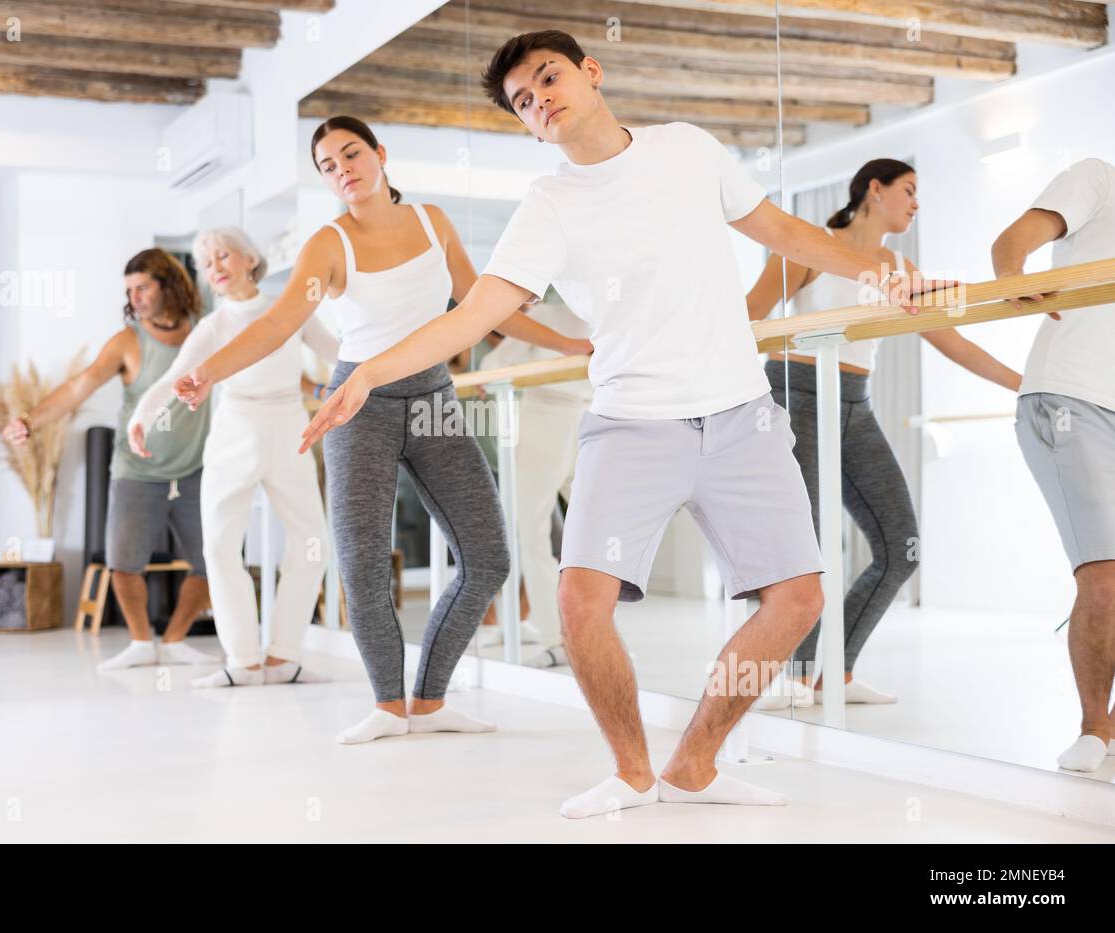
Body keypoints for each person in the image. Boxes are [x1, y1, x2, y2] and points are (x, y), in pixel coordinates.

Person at [300, 30, 940, 818]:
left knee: (799, 599)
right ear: (527, 126)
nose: (541, 101)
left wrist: (880, 272)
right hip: (631, 421)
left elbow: (780, 232)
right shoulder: (548, 206)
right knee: (578, 602)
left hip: (742, 414)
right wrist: (366, 371)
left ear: (590, 72)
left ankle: (695, 763)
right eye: (524, 103)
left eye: (549, 79)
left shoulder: (688, 149)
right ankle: (634, 771)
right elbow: (473, 314)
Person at [169, 116, 592, 744]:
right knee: (363, 564)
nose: (343, 170)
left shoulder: (432, 223)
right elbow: (282, 321)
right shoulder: (329, 244)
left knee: (487, 558)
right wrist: (207, 371)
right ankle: (388, 705)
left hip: (434, 401)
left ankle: (429, 699)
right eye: (329, 166)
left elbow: (481, 305)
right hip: (356, 404)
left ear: (380, 154)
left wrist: (566, 344)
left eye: (351, 154)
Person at [747, 159, 1021, 708]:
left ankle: (833, 674)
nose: (916, 204)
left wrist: (1028, 383)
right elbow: (748, 317)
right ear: (875, 189)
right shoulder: (808, 246)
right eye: (909, 191)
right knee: (809, 549)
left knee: (901, 548)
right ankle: (796, 674)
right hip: (796, 394)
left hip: (855, 404)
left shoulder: (900, 266)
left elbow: (951, 340)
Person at [129, 227, 336, 688]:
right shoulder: (213, 326)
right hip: (234, 431)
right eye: (206, 263)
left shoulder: (289, 307)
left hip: (288, 428)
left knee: (311, 542)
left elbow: (340, 353)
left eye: (222, 255)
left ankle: (284, 657)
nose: (214, 267)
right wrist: (141, 417)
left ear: (248, 257)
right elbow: (175, 377)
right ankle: (243, 661)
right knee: (220, 547)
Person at [2, 249, 214, 671]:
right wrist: (30, 420)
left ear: (167, 284)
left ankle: (172, 641)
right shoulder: (128, 341)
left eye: (142, 287)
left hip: (195, 468)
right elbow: (80, 387)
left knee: (214, 563)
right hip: (137, 471)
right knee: (123, 562)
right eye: (129, 291)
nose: (134, 298)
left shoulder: (204, 330)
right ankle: (140, 642)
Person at [993, 157, 1115, 773]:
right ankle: (1096, 729)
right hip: (1069, 397)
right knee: (1104, 579)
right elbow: (1011, 241)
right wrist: (1012, 277)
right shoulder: (1098, 177)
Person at [475, 295, 593, 664]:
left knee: (534, 532)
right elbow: (493, 364)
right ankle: (567, 632)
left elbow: (492, 364)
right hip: (578, 421)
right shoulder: (597, 311)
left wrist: (491, 381)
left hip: (561, 421)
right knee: (585, 535)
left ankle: (557, 634)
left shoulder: (547, 314)